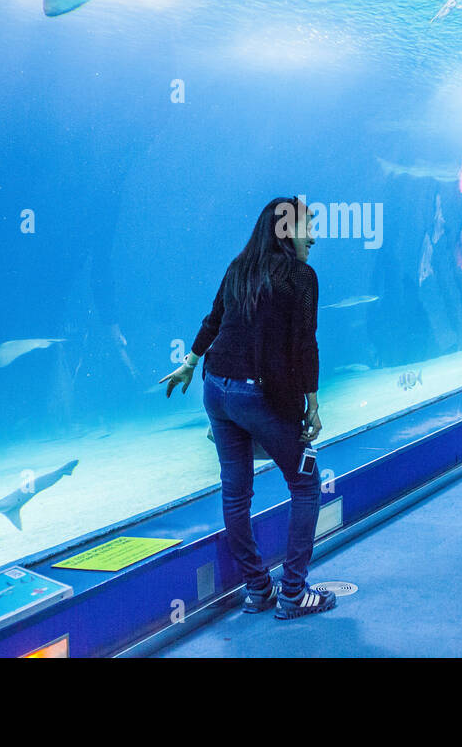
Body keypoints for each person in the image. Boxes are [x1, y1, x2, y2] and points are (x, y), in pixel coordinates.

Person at [159, 196, 336, 619]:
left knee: (236, 493)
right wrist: (311, 403)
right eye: (307, 225)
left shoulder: (238, 267)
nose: (313, 235)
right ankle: (293, 592)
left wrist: (189, 363)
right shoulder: (300, 276)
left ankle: (259, 590)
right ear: (285, 229)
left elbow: (214, 319)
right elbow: (304, 345)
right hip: (256, 395)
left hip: (216, 391)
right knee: (307, 485)